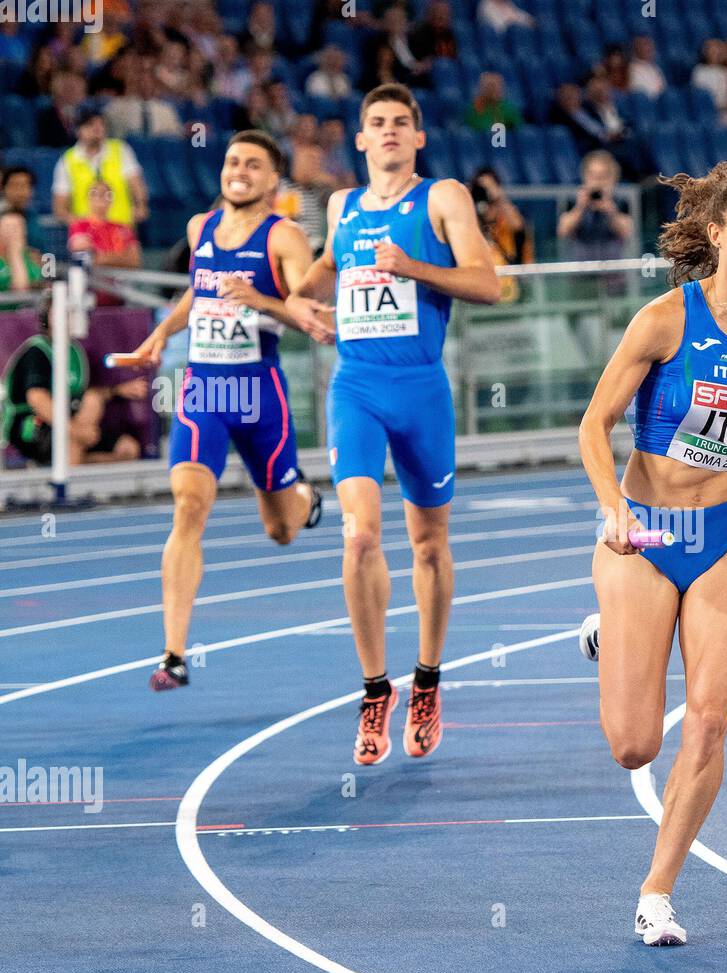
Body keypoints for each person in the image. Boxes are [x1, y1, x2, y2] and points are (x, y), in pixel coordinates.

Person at [576, 162, 727, 946]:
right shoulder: (663, 321)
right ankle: (610, 628)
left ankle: (657, 892)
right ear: (716, 233)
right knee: (634, 745)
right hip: (643, 537)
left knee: (709, 722)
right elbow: (593, 425)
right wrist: (612, 507)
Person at [285, 83, 502, 765]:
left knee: (430, 547)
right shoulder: (342, 205)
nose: (386, 132)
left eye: (399, 123)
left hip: (422, 390)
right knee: (359, 539)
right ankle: (376, 688)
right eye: (374, 122)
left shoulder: (443, 198)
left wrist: (409, 265)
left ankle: (428, 680)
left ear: (418, 137)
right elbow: (325, 271)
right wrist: (299, 304)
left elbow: (489, 283)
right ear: (358, 138)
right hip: (356, 387)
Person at [125, 131, 324, 691]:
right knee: (189, 506)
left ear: (272, 180)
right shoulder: (200, 228)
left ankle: (304, 498)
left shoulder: (284, 238)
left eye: (253, 165)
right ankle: (173, 654)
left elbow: (309, 313)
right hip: (203, 392)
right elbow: (198, 292)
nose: (238, 171)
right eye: (233, 161)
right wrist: (163, 331)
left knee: (280, 529)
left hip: (260, 394)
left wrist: (261, 300)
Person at [1, 291, 151, 467]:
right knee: (71, 443)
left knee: (127, 449)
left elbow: (83, 396)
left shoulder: (75, 352)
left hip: (72, 420)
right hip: (32, 425)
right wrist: (74, 430)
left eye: (71, 312)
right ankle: (70, 472)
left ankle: (73, 465)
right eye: (60, 312)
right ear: (46, 317)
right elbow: (37, 399)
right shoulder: (37, 351)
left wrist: (117, 390)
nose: (67, 317)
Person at [52, 109, 148, 228]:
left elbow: (136, 184)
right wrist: (79, 226)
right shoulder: (67, 161)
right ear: (78, 130)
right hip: (87, 237)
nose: (97, 129)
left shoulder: (121, 150)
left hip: (122, 230)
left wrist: (141, 206)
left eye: (101, 125)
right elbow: (60, 208)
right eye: (90, 125)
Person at [557, 150, 634, 261]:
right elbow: (563, 231)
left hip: (613, 268)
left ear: (613, 178)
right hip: (581, 268)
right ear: (585, 176)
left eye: (603, 176)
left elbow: (627, 232)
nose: (598, 182)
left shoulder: (621, 200)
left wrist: (611, 211)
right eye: (593, 176)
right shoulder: (574, 200)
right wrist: (580, 208)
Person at [470, 165, 532, 301]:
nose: (485, 193)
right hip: (480, 296)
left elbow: (518, 227)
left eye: (488, 188)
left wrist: (499, 198)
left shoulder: (507, 217)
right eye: (481, 188)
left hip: (510, 294)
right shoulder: (471, 220)